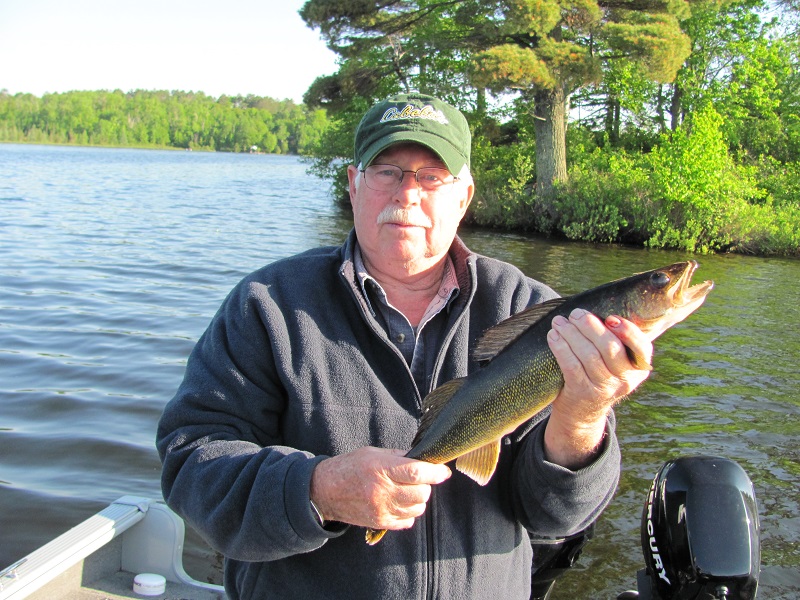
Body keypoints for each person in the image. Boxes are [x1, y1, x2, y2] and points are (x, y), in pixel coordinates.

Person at [156, 93, 653, 600]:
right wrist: (317, 488)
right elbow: (192, 463)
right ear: (353, 185)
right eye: (387, 171)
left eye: (431, 176)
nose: (407, 193)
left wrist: (582, 418)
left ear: (463, 196)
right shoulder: (269, 306)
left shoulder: (537, 312)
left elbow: (559, 518)